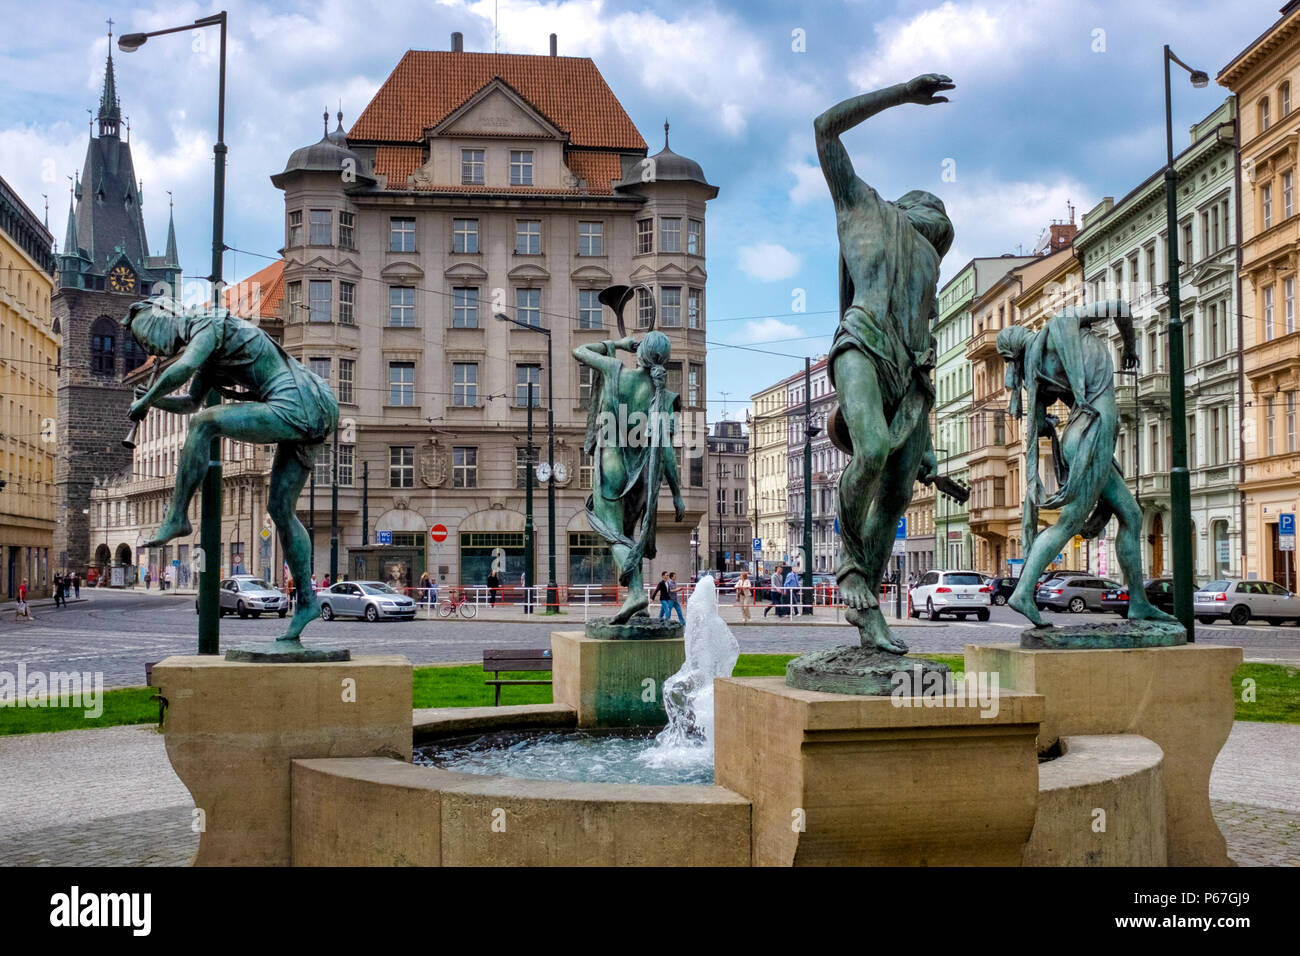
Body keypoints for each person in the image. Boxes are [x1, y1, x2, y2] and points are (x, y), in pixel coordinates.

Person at [816, 73, 956, 654]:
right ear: (914, 206)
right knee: (870, 449)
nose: (942, 233)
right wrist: (904, 93)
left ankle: (869, 611)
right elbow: (824, 128)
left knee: (897, 492)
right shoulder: (862, 204)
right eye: (938, 222)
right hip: (862, 344)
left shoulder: (928, 262)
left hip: (910, 376)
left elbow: (925, 343)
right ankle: (850, 566)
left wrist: (924, 448)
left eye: (944, 235)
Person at [124, 296, 338, 642]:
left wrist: (146, 400)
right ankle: (308, 603)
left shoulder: (207, 324)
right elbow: (191, 401)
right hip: (315, 403)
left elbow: (183, 371)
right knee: (281, 510)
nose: (152, 347)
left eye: (147, 337)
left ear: (162, 322)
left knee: (206, 423)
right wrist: (152, 400)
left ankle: (177, 516)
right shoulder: (209, 348)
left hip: (295, 399)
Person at [998, 303, 1176, 627]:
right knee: (1067, 524)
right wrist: (1129, 349)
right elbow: (1122, 308)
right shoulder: (1064, 323)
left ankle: (1138, 602)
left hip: (1081, 436)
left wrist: (1050, 422)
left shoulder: (1037, 371)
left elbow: (1038, 425)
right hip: (1093, 432)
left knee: (1132, 516)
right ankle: (1023, 592)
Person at [574, 329, 686, 624]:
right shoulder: (662, 394)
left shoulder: (615, 369)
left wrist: (616, 344)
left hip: (611, 464)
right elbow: (666, 451)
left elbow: (580, 350)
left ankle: (636, 593)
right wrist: (676, 493)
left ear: (640, 353)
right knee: (627, 537)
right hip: (641, 475)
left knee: (614, 535)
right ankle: (642, 604)